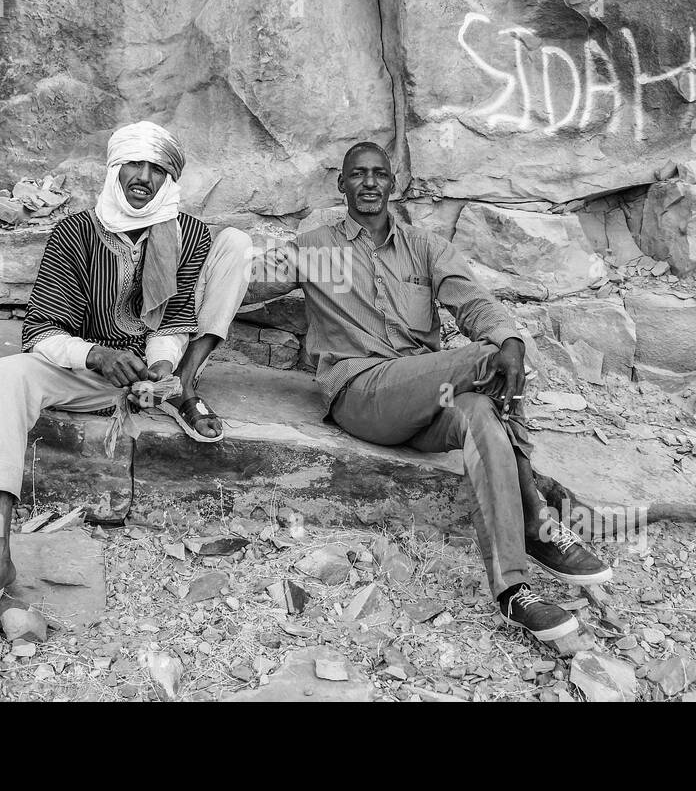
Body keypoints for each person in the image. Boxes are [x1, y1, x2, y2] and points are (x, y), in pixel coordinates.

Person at [249, 141, 611, 641]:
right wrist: (206, 272)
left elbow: (474, 303)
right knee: (491, 357)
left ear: (393, 183)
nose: (370, 183)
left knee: (481, 411)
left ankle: (513, 592)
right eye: (358, 174)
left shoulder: (426, 248)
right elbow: (249, 284)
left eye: (379, 174)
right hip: (362, 395)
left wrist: (507, 335)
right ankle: (534, 515)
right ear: (342, 184)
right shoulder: (314, 247)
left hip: (429, 401)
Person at [0, 121, 251, 630]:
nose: (143, 178)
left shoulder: (188, 233)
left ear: (169, 178)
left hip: (149, 371)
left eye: (156, 169)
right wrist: (96, 356)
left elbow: (173, 321)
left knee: (239, 244)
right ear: (115, 168)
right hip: (91, 371)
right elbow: (42, 331)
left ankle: (180, 391)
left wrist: (161, 368)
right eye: (134, 164)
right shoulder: (76, 232)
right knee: (7, 373)